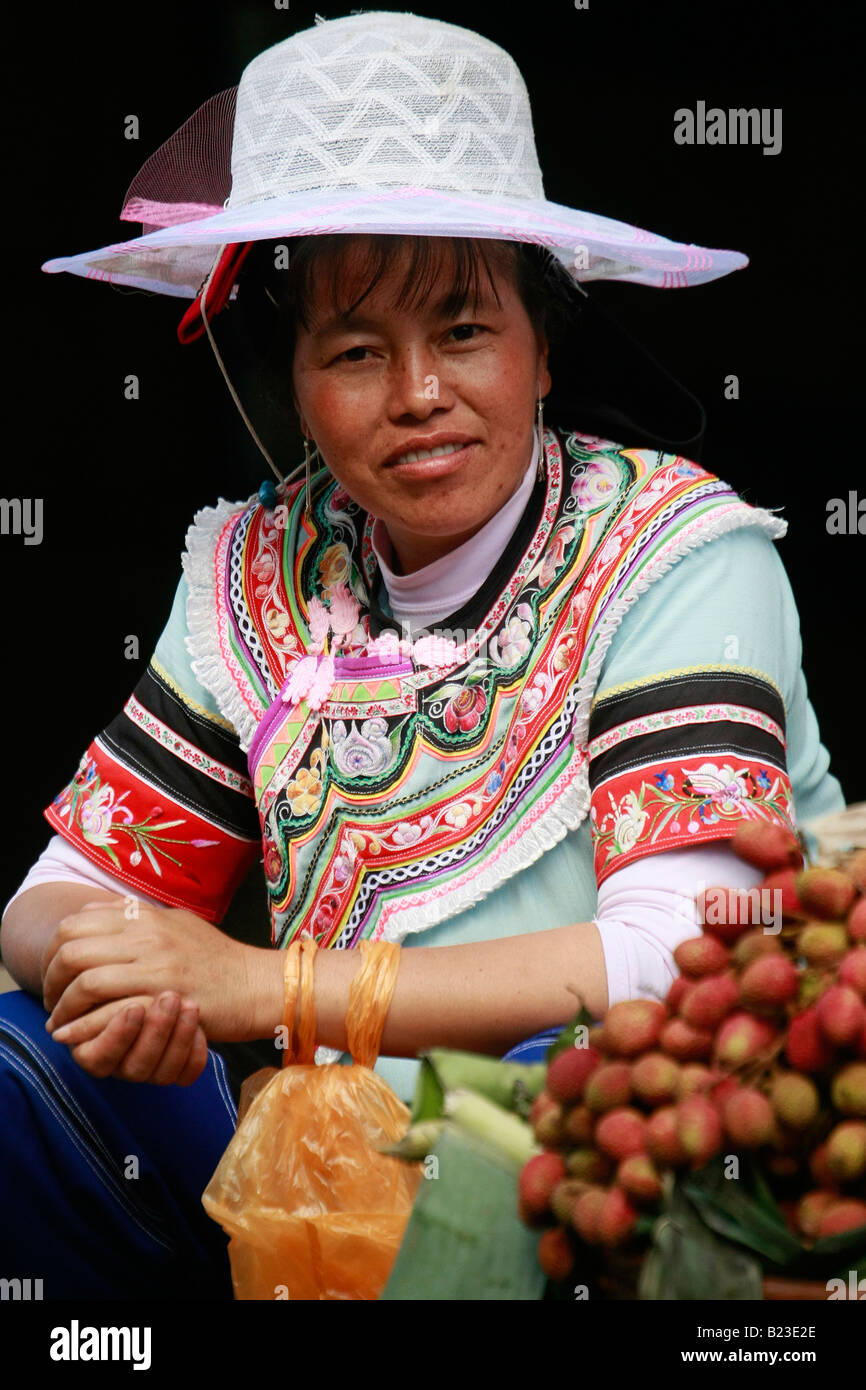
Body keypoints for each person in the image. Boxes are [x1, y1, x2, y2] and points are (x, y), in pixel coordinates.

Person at [0, 11, 845, 1298]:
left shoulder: (677, 557)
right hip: (321, 1189)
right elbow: (50, 894)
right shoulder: (255, 570)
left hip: (613, 1172)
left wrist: (255, 985)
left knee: (525, 1113)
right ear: (293, 382)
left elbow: (683, 953)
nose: (416, 393)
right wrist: (120, 976)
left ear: (542, 343)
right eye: (352, 350)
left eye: (462, 331)